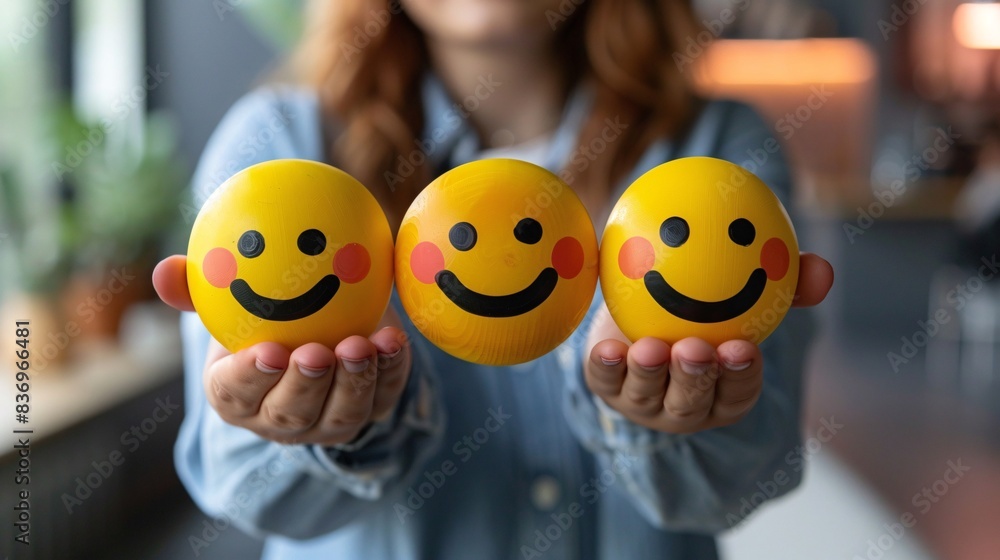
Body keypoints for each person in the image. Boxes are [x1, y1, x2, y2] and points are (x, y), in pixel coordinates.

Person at [153, 1, 834, 558]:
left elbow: (755, 474)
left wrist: (671, 422)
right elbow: (242, 488)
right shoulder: (275, 150)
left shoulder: (718, 146)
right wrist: (340, 427)